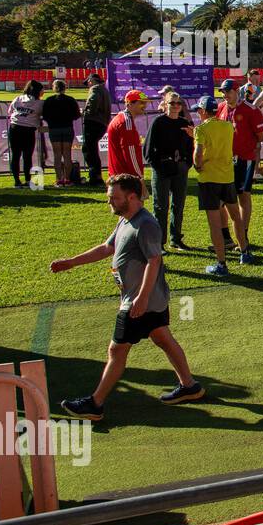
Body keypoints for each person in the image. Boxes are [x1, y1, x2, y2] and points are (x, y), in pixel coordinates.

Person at [53, 173, 203, 421]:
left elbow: (154, 261)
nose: (109, 202)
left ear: (131, 196)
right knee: (163, 338)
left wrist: (141, 299)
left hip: (138, 303)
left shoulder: (145, 225)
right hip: (146, 301)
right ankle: (190, 386)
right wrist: (71, 263)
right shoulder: (126, 220)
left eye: (114, 198)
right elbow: (106, 248)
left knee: (116, 350)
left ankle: (95, 403)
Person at [192, 95, 254, 276]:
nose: (197, 113)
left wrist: (197, 166)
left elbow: (198, 154)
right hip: (227, 178)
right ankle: (245, 252)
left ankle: (221, 264)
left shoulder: (201, 129)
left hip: (209, 179)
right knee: (236, 217)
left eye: (198, 110)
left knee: (215, 224)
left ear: (203, 111)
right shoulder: (227, 126)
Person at [217, 78, 263, 248]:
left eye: (228, 92)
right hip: (224, 160)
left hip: (244, 159)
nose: (225, 95)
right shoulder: (221, 108)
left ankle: (243, 235)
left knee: (243, 196)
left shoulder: (250, 110)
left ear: (237, 91)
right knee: (222, 198)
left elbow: (261, 136)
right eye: (223, 92)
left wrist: (246, 147)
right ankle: (227, 238)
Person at [142, 92, 194, 250]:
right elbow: (148, 149)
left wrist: (187, 164)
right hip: (162, 169)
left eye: (179, 103)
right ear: (165, 104)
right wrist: (158, 166)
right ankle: (159, 243)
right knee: (160, 207)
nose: (176, 106)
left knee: (178, 205)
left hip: (180, 168)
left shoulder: (184, 122)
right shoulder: (158, 122)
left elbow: (191, 145)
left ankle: (176, 238)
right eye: (172, 103)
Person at [106, 90, 149, 192]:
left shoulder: (122, 119)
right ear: (129, 104)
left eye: (145, 102)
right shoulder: (126, 122)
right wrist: (139, 177)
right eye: (141, 103)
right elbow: (130, 153)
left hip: (119, 176)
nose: (145, 105)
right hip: (126, 178)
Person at [42, 79, 81, 186]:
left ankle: (59, 179)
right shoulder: (70, 100)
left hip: (54, 129)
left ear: (54, 88)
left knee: (57, 155)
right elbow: (76, 115)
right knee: (67, 155)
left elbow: (44, 115)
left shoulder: (49, 100)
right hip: (67, 128)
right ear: (65, 88)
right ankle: (67, 179)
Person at [7, 79, 45, 188]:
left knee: (16, 155)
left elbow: (10, 112)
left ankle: (17, 181)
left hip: (14, 128)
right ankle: (28, 180)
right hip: (28, 130)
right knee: (27, 156)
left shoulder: (18, 98)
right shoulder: (40, 103)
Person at [81, 72, 113, 187]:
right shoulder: (105, 90)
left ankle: (94, 176)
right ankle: (97, 176)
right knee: (93, 149)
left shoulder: (95, 89)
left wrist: (86, 113)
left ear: (91, 81)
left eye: (88, 82)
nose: (88, 85)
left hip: (93, 122)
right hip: (102, 123)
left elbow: (93, 102)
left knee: (89, 150)